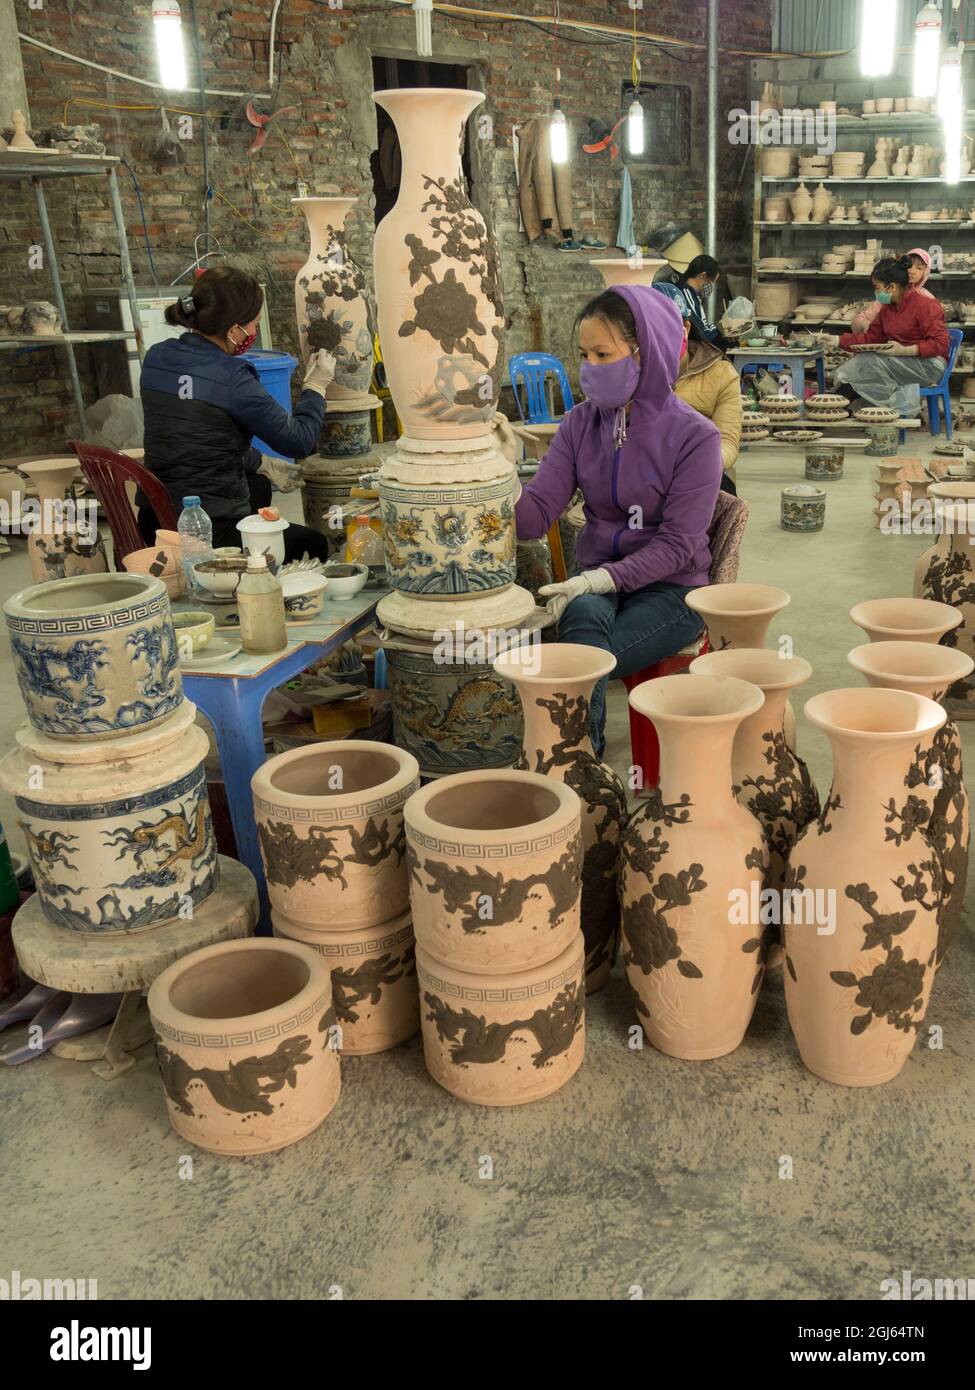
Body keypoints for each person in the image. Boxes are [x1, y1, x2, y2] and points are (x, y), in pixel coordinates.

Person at [515, 285, 722, 753]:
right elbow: (532, 520)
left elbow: (678, 546)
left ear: (645, 353)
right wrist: (497, 474)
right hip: (596, 584)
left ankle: (570, 766)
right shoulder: (579, 425)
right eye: (584, 354)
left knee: (581, 665)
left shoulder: (695, 438)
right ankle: (583, 756)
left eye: (603, 354)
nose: (589, 367)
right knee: (582, 626)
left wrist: (597, 581)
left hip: (673, 591)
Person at [139, 265, 336, 559]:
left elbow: (194, 434)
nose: (255, 332)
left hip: (153, 517)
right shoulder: (232, 376)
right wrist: (315, 388)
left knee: (257, 486)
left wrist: (260, 462)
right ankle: (253, 588)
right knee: (313, 543)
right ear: (234, 331)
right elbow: (298, 440)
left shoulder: (157, 356)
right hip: (203, 529)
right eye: (254, 324)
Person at [821, 256, 948, 416]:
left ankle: (833, 409)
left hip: (929, 366)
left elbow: (941, 344)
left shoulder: (926, 305)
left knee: (869, 362)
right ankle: (838, 408)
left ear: (891, 287)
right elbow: (872, 338)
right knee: (866, 362)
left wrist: (907, 350)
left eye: (877, 287)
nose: (876, 292)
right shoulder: (888, 308)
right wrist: (837, 340)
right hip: (900, 362)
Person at [672, 310, 742, 488]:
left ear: (685, 328)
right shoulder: (633, 373)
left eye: (667, 328)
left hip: (700, 469)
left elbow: (727, 439)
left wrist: (706, 463)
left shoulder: (721, 374)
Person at [849, 248, 935, 334]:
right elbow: (858, 321)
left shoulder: (928, 300)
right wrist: (864, 324)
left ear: (926, 273)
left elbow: (935, 338)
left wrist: (913, 347)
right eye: (909, 266)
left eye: (919, 268)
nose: (912, 271)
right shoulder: (889, 294)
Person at [658, 254, 728, 347]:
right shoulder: (685, 295)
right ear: (703, 275)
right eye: (712, 281)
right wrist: (723, 329)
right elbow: (702, 334)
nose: (711, 286)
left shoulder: (693, 295)